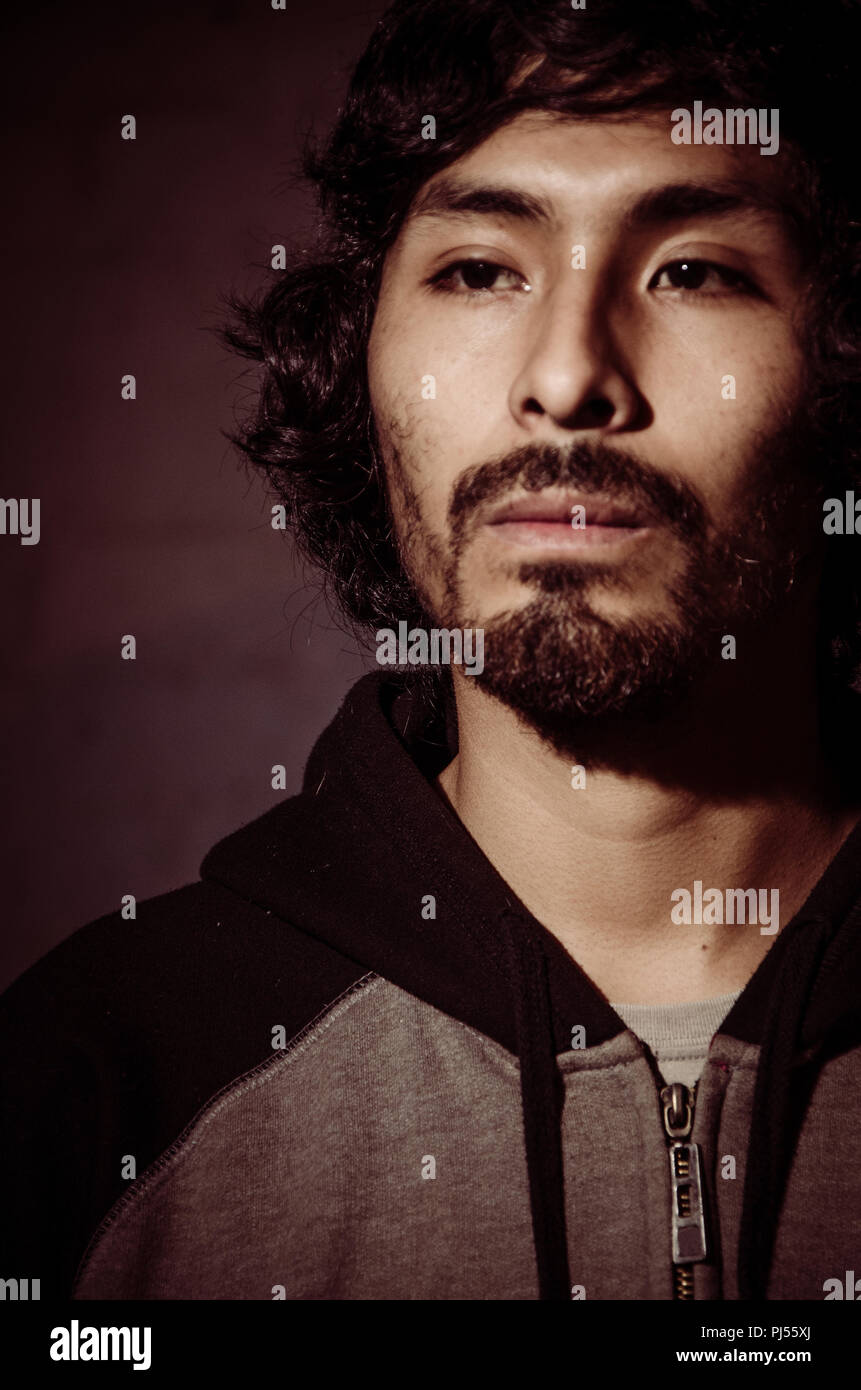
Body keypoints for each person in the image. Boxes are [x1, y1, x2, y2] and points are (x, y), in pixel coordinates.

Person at [3, 0, 860, 1302]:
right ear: (360, 360)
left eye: (692, 269)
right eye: (477, 269)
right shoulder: (92, 1082)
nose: (567, 376)